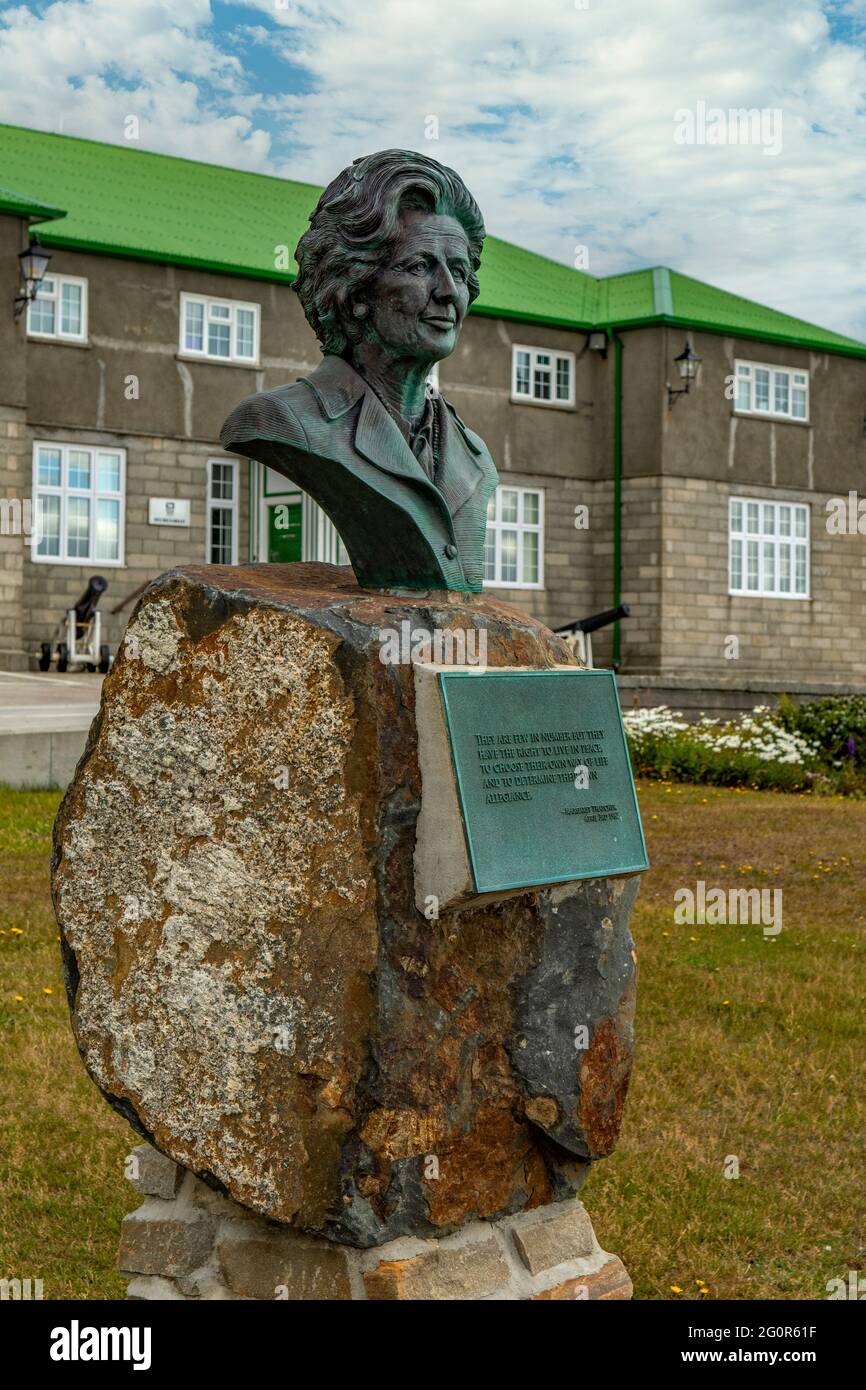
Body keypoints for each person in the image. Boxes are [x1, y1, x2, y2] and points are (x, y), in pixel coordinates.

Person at [220, 149, 499, 591]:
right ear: (355, 290)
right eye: (420, 266)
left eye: (460, 272)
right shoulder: (283, 421)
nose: (450, 291)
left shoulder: (475, 457)